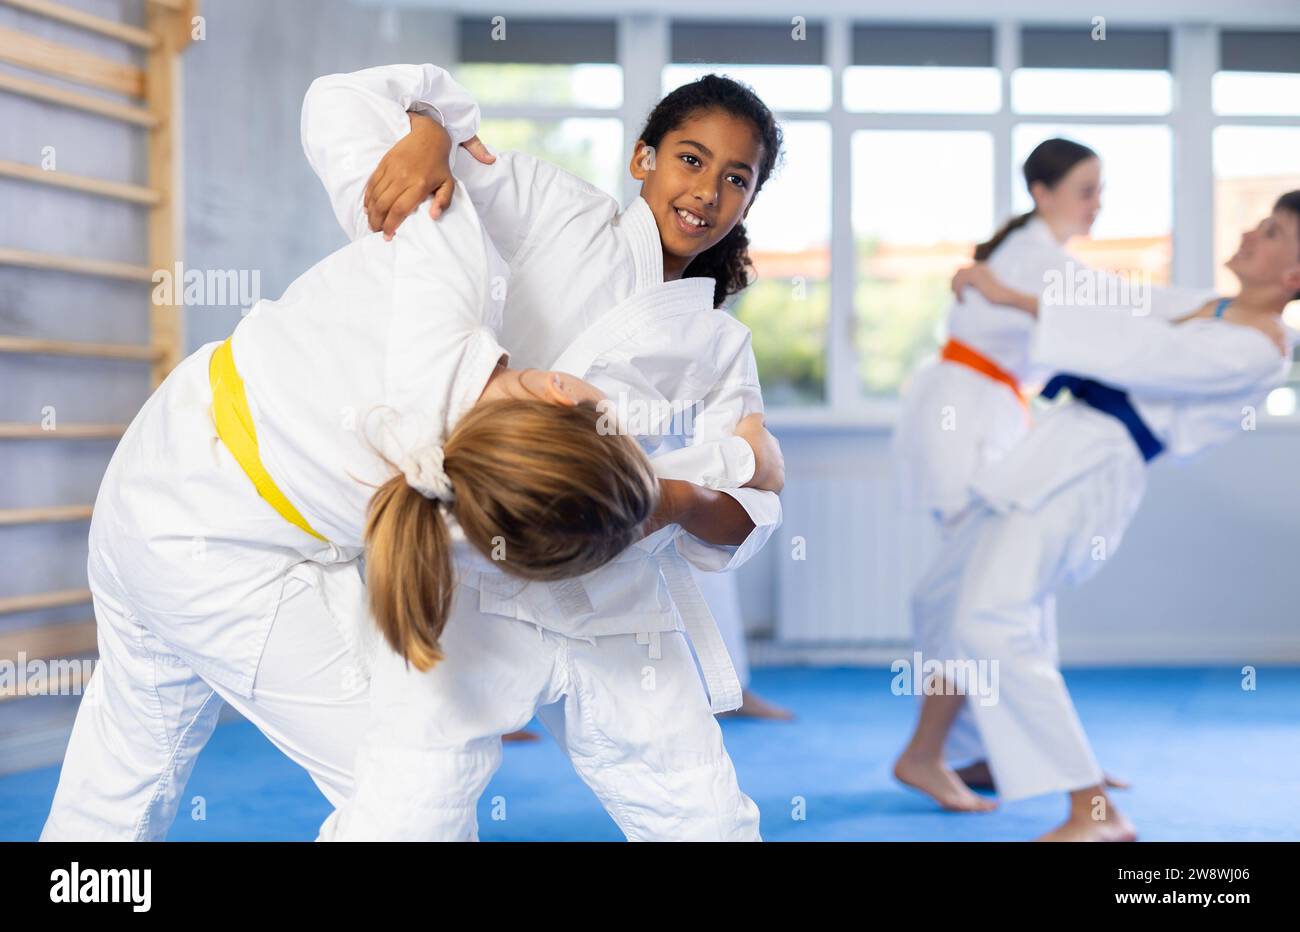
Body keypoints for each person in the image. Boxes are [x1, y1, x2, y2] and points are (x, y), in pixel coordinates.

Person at [39, 166, 659, 841]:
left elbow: (403, 167)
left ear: (564, 392)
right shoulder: (455, 498)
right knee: (409, 792)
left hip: (165, 455)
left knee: (125, 773)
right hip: (204, 541)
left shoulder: (451, 289)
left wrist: (427, 122)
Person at [300, 64, 788, 839]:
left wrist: (670, 500)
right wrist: (430, 128)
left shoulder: (719, 344)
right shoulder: (548, 207)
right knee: (409, 817)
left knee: (708, 820)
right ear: (643, 160)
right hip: (472, 572)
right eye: (690, 159)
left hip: (617, 596)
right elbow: (341, 100)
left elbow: (756, 501)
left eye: (737, 178)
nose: (707, 192)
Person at [904, 193, 1299, 840]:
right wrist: (1006, 288)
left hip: (1090, 469)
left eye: (1274, 231)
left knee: (993, 618)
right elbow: (1114, 309)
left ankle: (1095, 810)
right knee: (949, 598)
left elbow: (1133, 351)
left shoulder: (1260, 350)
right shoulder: (1210, 303)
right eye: (1262, 221)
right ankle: (939, 753)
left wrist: (1007, 295)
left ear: (1293, 278)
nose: (1253, 232)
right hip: (1052, 452)